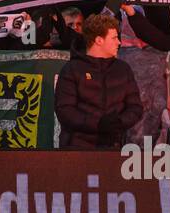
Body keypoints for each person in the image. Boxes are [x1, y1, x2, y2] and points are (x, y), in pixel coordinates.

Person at [54, 13, 143, 148]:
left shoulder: (123, 69)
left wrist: (119, 122)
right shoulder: (72, 69)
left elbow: (135, 107)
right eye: (114, 38)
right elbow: (65, 111)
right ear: (99, 40)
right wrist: (98, 123)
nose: (119, 42)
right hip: (77, 149)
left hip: (113, 147)